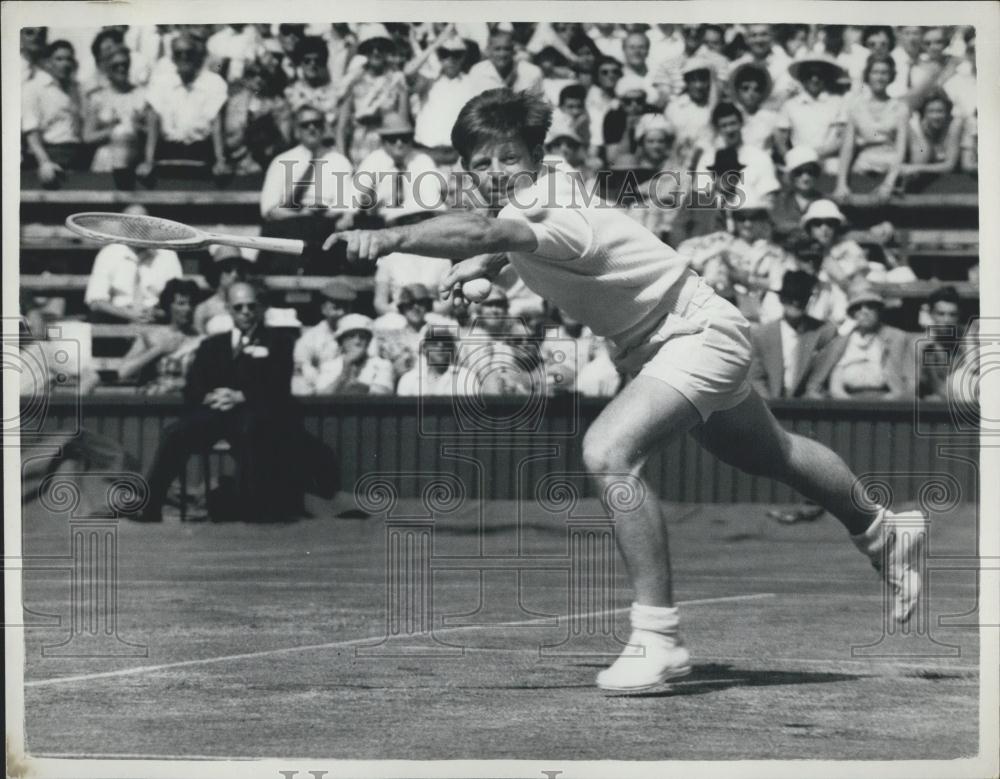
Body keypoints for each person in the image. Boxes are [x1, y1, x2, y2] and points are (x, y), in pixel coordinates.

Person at [321, 87, 928, 692]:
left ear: (536, 153)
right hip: (679, 335)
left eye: (509, 158)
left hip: (693, 334)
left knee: (609, 453)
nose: (496, 172)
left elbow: (491, 228)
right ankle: (883, 530)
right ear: (466, 168)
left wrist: (391, 236)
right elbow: (505, 235)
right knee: (769, 452)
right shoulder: (545, 191)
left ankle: (658, 638)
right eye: (482, 163)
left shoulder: (549, 208)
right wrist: (488, 262)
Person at [136, 282, 298, 523]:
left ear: (260, 308)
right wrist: (210, 396)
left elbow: (278, 387)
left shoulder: (279, 342)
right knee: (174, 433)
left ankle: (252, 509)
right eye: (239, 307)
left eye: (251, 306)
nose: (246, 312)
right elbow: (193, 385)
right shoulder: (212, 345)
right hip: (215, 412)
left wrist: (241, 396)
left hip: (253, 413)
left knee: (252, 430)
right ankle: (150, 506)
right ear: (229, 310)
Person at [259, 104, 356, 274]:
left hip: (324, 225)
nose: (312, 128)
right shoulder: (281, 161)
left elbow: (346, 206)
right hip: (289, 224)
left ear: (324, 127)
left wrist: (323, 213)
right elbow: (269, 209)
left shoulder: (339, 162)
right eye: (305, 125)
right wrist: (302, 214)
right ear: (296, 130)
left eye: (316, 123)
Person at [138, 34, 230, 181]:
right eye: (179, 53)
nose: (184, 57)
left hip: (202, 154)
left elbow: (217, 123)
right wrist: (148, 160)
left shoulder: (214, 83)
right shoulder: (161, 82)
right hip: (168, 154)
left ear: (198, 56)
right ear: (173, 58)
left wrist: (221, 160)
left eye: (189, 53)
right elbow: (153, 120)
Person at [748, 270, 839, 399]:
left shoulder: (823, 332)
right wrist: (770, 405)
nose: (796, 303)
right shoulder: (761, 335)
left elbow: (823, 377)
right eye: (790, 298)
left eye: (801, 298)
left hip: (809, 407)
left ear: (808, 300)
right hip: (771, 405)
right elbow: (756, 379)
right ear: (781, 299)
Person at [84, 207, 183, 323]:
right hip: (117, 319)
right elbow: (96, 301)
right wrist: (128, 314)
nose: (138, 228)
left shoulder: (167, 255)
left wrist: (156, 312)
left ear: (151, 226)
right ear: (123, 227)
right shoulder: (109, 253)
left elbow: (177, 298)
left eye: (143, 223)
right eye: (132, 224)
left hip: (157, 319)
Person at [834, 54, 909, 203]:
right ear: (868, 75)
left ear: (891, 76)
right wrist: (841, 183)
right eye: (875, 72)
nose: (879, 78)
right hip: (863, 169)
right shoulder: (856, 106)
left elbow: (901, 149)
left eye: (884, 73)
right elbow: (847, 147)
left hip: (891, 171)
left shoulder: (900, 107)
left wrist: (889, 183)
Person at [820, 284, 912, 401]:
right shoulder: (842, 341)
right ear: (853, 313)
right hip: (847, 400)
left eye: (870, 307)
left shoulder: (896, 337)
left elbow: (906, 379)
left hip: (887, 400)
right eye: (858, 307)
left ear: (879, 311)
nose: (864, 311)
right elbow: (835, 383)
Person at [338, 24, 410, 166]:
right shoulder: (353, 80)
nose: (376, 52)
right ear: (365, 51)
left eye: (380, 48)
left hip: (388, 144)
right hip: (360, 144)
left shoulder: (397, 80)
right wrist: (342, 160)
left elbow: (403, 120)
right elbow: (341, 126)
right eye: (371, 48)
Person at [117, 278, 203, 394]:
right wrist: (158, 349)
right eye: (181, 304)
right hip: (153, 399)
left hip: (185, 400)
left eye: (191, 304)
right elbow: (122, 372)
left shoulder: (201, 340)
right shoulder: (152, 336)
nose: (188, 309)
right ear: (169, 306)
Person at [22, 40, 87, 186]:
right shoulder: (33, 89)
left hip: (77, 157)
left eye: (69, 59)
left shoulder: (78, 89)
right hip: (49, 156)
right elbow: (31, 132)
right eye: (59, 59)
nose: (65, 64)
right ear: (47, 62)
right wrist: (45, 162)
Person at [82, 45, 147, 182]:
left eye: (125, 64)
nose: (121, 68)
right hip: (106, 161)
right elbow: (88, 137)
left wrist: (137, 127)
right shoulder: (98, 97)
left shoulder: (141, 94)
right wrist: (111, 130)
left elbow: (153, 132)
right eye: (115, 65)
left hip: (135, 160)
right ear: (107, 69)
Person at [775, 56, 848, 174]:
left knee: (835, 169)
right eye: (809, 74)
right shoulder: (790, 105)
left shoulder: (838, 102)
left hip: (829, 159)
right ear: (802, 77)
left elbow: (842, 136)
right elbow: (780, 139)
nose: (815, 79)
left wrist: (819, 154)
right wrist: (791, 157)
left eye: (820, 75)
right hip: (800, 159)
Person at [292, 280, 358, 396]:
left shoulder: (360, 335)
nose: (342, 313)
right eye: (336, 308)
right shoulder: (311, 338)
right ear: (323, 309)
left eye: (346, 308)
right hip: (322, 397)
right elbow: (302, 368)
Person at [313, 314, 395, 396]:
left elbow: (383, 394)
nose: (357, 341)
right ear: (341, 341)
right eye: (351, 336)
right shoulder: (328, 366)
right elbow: (321, 396)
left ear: (368, 342)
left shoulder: (382, 365)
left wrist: (356, 385)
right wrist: (344, 373)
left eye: (362, 337)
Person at [901, 90, 962, 187]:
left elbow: (949, 165)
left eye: (940, 111)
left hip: (953, 182)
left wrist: (916, 168)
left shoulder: (954, 125)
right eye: (931, 111)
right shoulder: (917, 127)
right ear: (923, 113)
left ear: (947, 112)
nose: (936, 116)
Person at [193, 245, 255, 335]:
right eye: (228, 270)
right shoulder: (204, 309)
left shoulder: (251, 305)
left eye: (239, 270)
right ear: (217, 273)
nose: (235, 275)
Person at [916, 285, 963, 401]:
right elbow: (913, 387)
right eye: (941, 314)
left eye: (952, 314)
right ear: (931, 314)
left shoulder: (966, 345)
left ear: (959, 316)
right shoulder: (920, 346)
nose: (947, 320)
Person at [396, 328, 473, 397]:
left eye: (446, 342)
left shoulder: (466, 377)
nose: (440, 346)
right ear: (424, 348)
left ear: (452, 349)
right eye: (434, 341)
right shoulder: (409, 379)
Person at [771, 145, 824, 241]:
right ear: (790, 175)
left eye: (811, 172)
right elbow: (778, 225)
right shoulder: (781, 200)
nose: (805, 178)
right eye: (798, 172)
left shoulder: (825, 202)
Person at [728, 62, 778, 153]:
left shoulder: (771, 118)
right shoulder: (730, 116)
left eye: (757, 89)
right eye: (745, 88)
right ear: (737, 90)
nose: (751, 94)